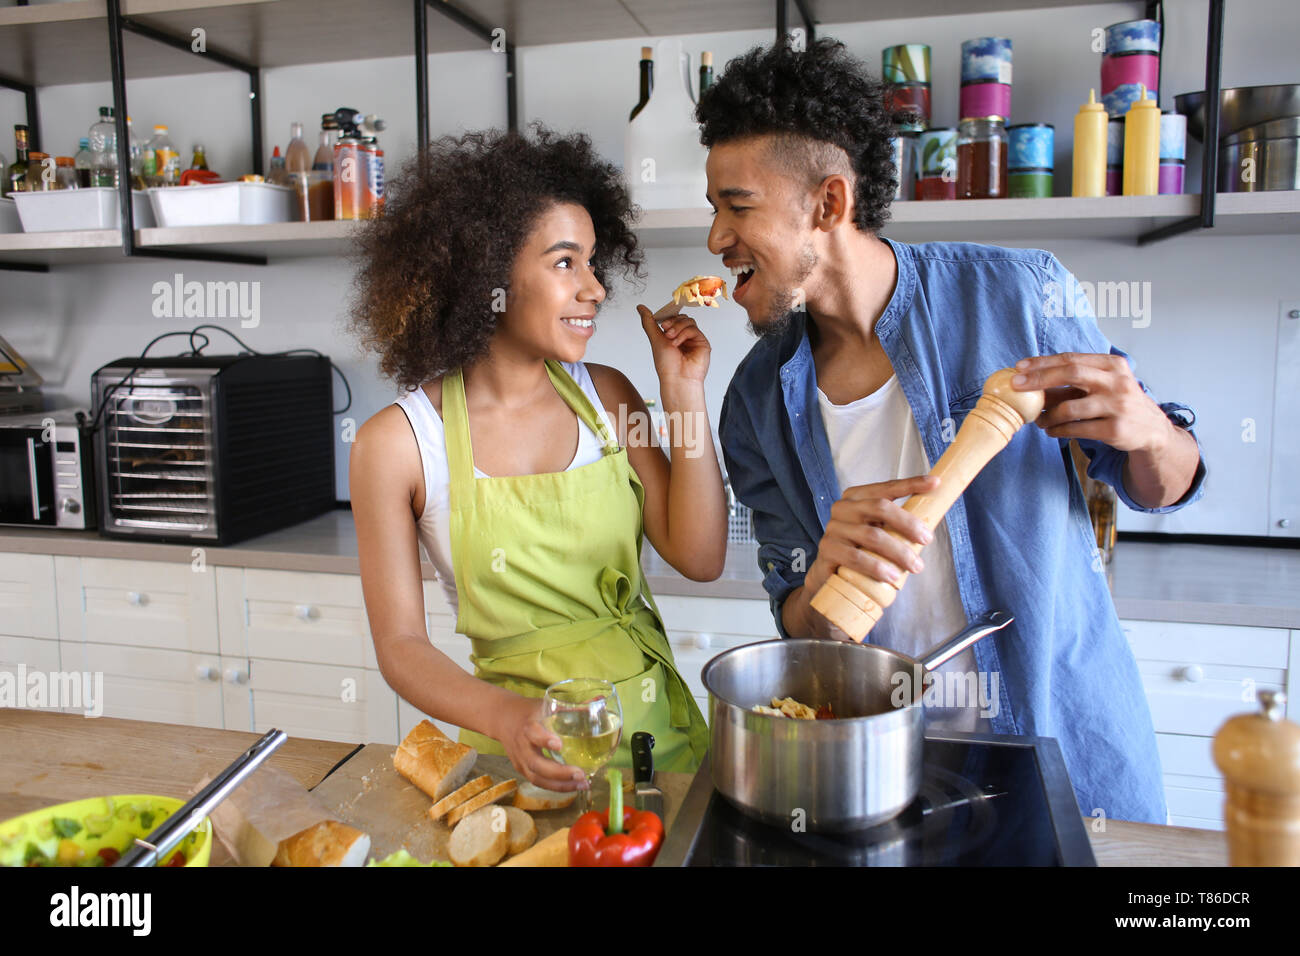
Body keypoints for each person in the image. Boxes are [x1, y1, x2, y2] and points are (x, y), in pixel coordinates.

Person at [704, 40, 1206, 824]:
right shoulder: (752, 403)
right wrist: (820, 587)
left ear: (829, 204)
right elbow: (799, 625)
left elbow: (1161, 485)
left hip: (1069, 757)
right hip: (890, 779)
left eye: (737, 207)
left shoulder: (1015, 295)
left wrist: (1151, 433)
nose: (715, 238)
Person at [347, 126, 721, 790]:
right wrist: (510, 717)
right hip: (515, 759)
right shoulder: (397, 443)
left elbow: (699, 557)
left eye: (593, 262)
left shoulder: (609, 397)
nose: (596, 289)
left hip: (652, 746)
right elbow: (401, 649)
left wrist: (684, 395)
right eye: (564, 262)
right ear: (487, 274)